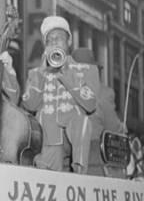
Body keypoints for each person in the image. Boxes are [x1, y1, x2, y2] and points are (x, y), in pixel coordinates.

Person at [21, 16, 99, 173]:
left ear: (69, 42)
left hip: (76, 137)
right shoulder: (35, 73)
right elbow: (30, 105)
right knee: (49, 175)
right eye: (49, 41)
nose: (54, 43)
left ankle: (79, 174)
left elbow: (91, 104)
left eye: (59, 39)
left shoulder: (86, 70)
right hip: (49, 139)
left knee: (81, 121)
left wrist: (67, 74)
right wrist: (42, 73)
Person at [70, 47, 123, 176]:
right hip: (91, 166)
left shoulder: (61, 89)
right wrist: (122, 127)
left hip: (62, 164)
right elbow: (113, 129)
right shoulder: (103, 93)